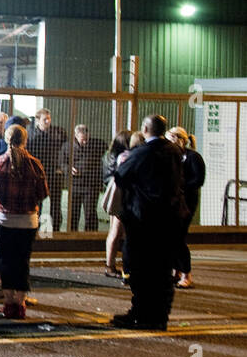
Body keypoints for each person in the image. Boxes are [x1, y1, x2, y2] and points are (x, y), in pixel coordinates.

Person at [112, 115, 186, 330]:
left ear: (145, 129)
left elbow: (121, 176)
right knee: (163, 270)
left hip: (144, 219)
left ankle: (140, 313)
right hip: (170, 219)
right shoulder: (175, 152)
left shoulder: (142, 153)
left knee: (141, 268)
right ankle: (159, 316)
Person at [0, 124, 49, 319]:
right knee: (22, 262)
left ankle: (8, 303)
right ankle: (21, 304)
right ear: (25, 140)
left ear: (6, 139)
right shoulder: (35, 164)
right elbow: (43, 193)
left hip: (4, 219)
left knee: (5, 261)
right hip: (28, 221)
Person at [166, 126, 204, 290]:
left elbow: (198, 180)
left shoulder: (193, 157)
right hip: (173, 202)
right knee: (172, 237)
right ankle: (176, 271)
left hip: (186, 202)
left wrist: (180, 187)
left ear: (179, 139)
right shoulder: (172, 157)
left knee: (178, 237)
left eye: (171, 138)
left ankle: (186, 273)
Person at [59, 123, 105, 231]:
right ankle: (71, 235)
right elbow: (61, 162)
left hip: (91, 185)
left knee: (90, 214)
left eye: (86, 139)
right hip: (74, 185)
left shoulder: (97, 144)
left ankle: (91, 237)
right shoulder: (67, 146)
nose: (84, 142)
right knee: (73, 214)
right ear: (76, 135)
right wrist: (69, 169)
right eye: (82, 139)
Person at [26, 108, 67, 233]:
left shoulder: (59, 133)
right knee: (37, 203)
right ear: (37, 120)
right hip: (37, 175)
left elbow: (65, 150)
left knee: (56, 204)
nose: (48, 121)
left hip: (54, 173)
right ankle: (35, 228)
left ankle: (55, 230)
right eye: (45, 119)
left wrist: (61, 166)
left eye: (49, 118)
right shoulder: (30, 134)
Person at [101, 130, 131, 279]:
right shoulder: (124, 157)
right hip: (122, 196)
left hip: (114, 195)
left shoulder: (108, 156)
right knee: (117, 231)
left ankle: (110, 264)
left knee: (113, 231)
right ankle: (110, 266)